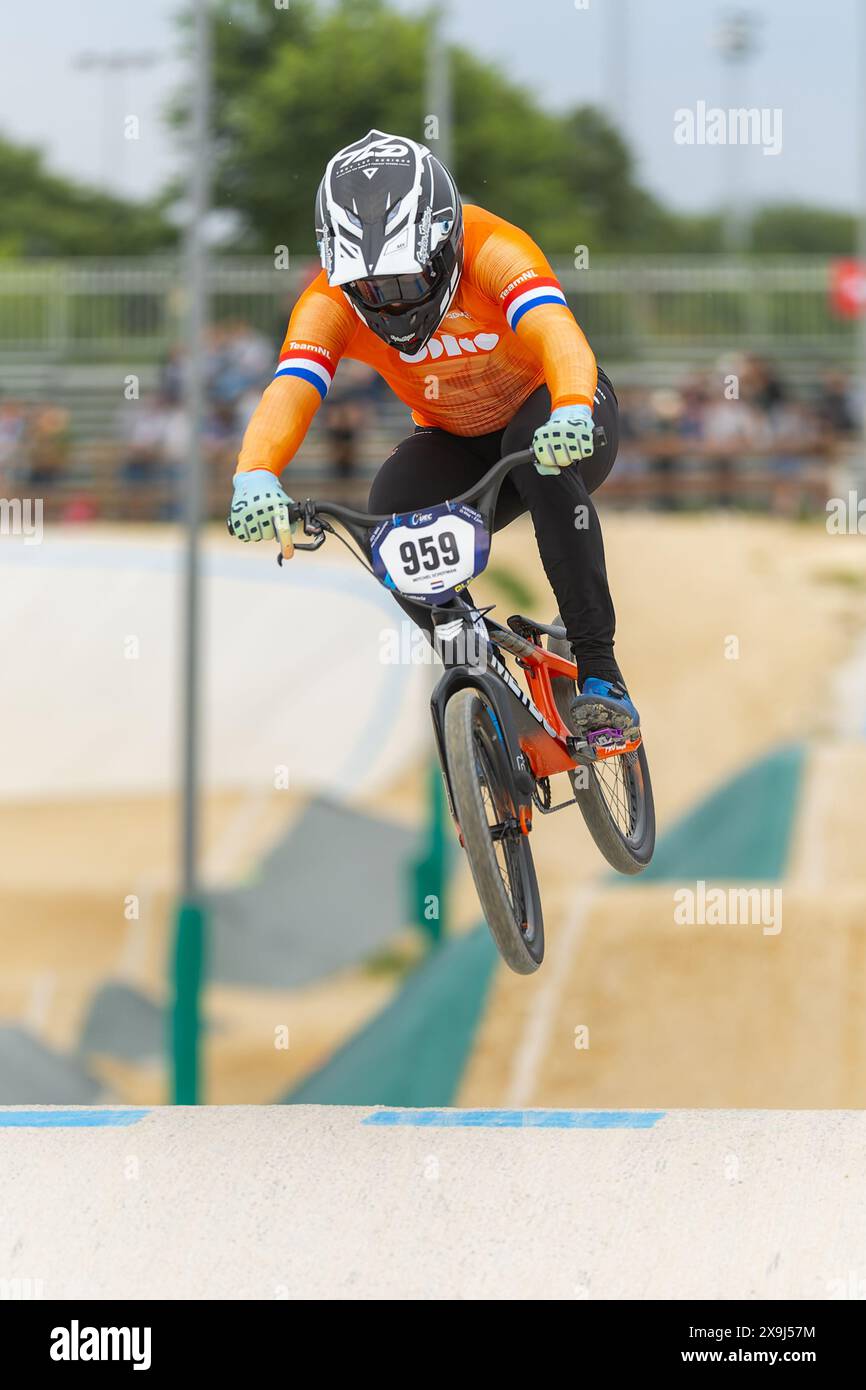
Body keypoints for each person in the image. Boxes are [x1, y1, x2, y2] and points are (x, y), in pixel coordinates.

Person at [227, 130, 638, 738]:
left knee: (536, 460)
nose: (390, 304)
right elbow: (291, 386)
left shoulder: (494, 247)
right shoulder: (327, 300)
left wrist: (573, 407)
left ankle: (601, 673)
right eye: (370, 287)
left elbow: (558, 333)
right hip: (457, 436)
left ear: (444, 245)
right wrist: (254, 473)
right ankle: (476, 667)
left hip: (558, 412)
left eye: (405, 280)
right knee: (387, 515)